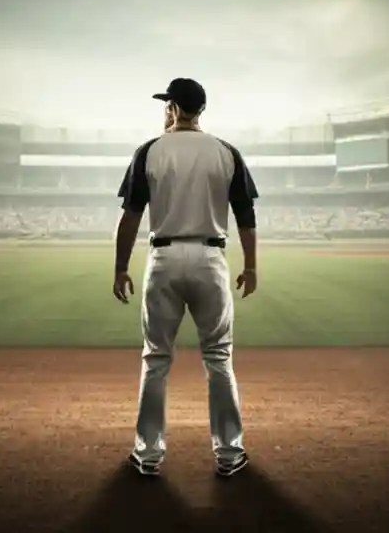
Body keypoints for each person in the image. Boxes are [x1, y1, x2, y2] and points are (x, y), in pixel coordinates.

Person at [111, 77, 260, 478]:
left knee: (156, 358)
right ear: (202, 111)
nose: (165, 110)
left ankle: (148, 455)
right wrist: (251, 266)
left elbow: (130, 216)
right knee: (218, 358)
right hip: (212, 257)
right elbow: (246, 217)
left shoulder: (150, 151)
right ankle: (230, 454)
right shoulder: (226, 152)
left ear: (174, 108)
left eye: (167, 104)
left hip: (164, 256)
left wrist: (121, 267)